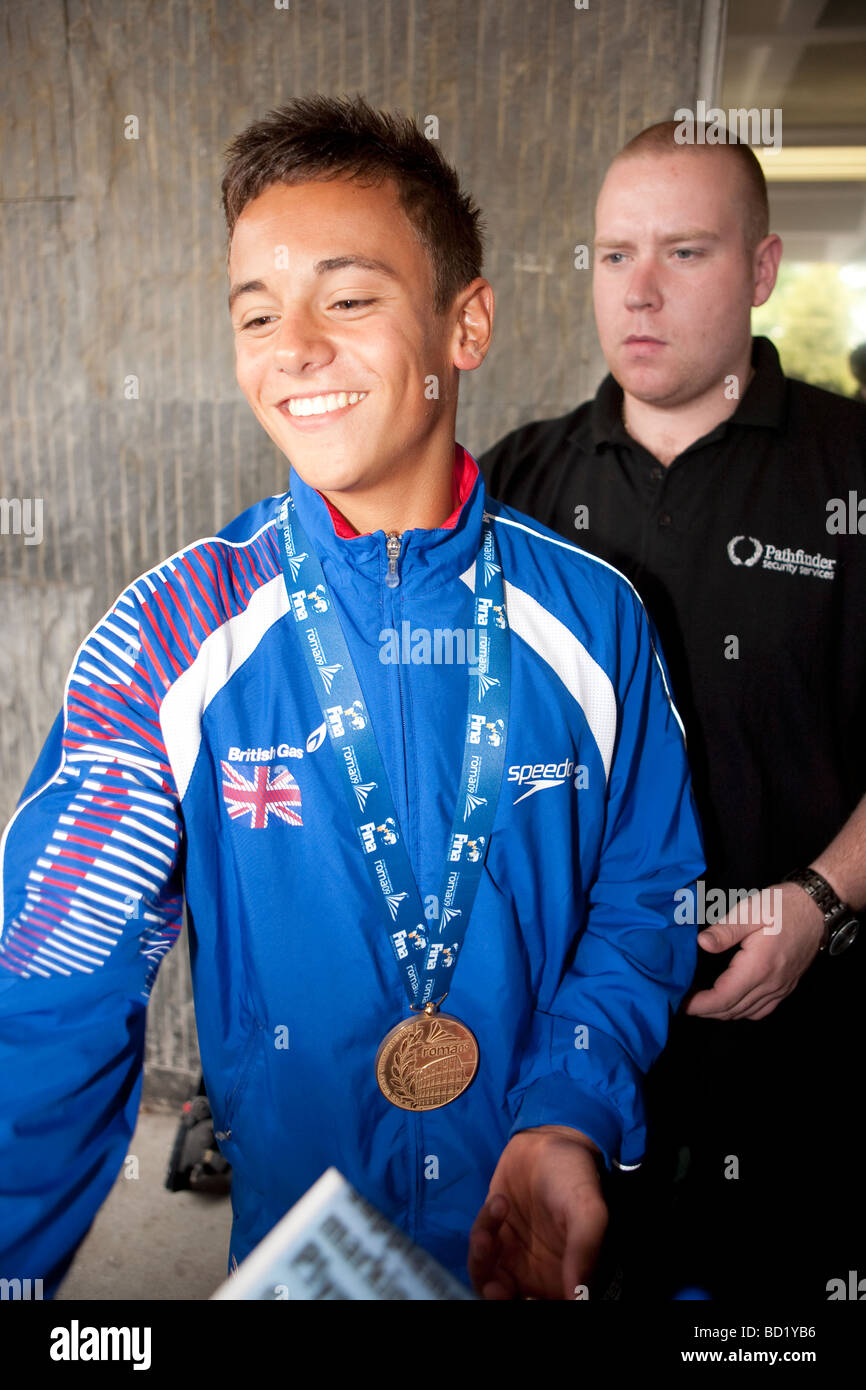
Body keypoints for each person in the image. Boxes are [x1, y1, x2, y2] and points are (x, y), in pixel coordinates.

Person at [0, 97, 704, 1303]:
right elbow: (49, 987)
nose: (294, 348)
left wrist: (568, 1112)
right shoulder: (170, 639)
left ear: (463, 322)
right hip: (300, 1259)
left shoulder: (596, 620)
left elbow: (646, 898)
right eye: (257, 313)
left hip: (548, 1244)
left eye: (349, 297)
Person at [481, 120, 866, 1300]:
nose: (636, 291)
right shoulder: (516, 482)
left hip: (807, 1047)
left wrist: (817, 902)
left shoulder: (849, 469)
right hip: (578, 1053)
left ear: (759, 270)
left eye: (684, 253)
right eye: (612, 255)